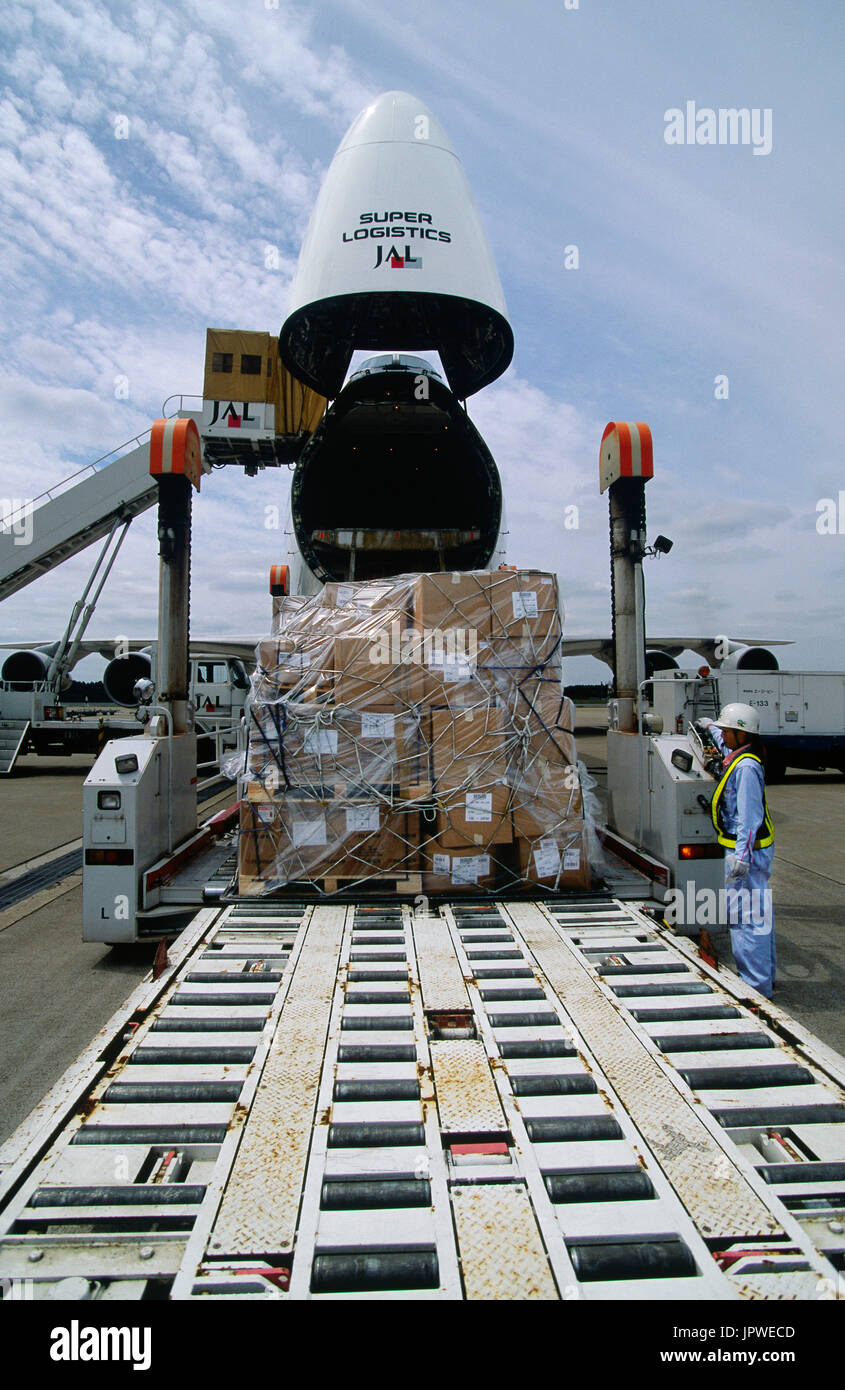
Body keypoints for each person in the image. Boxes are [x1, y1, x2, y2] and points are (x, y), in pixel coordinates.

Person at [698, 704, 776, 999]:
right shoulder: (741, 755)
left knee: (746, 920)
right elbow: (724, 743)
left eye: (727, 731)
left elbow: (749, 819)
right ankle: (764, 979)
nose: (724, 736)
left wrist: (741, 860)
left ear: (741, 733)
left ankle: (755, 988)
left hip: (746, 853)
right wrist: (710, 727)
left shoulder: (745, 769)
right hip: (750, 852)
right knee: (758, 916)